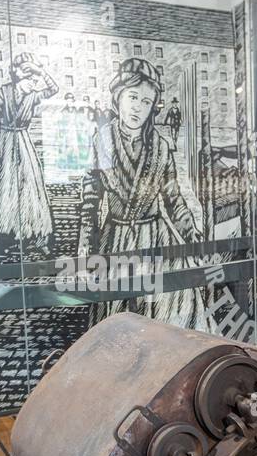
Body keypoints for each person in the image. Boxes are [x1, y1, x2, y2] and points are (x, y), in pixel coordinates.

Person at [78, 58, 209, 330]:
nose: (138, 107)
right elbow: (91, 197)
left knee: (168, 310)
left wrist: (192, 235)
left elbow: (174, 197)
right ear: (119, 98)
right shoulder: (102, 139)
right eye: (133, 97)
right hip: (117, 240)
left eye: (146, 102)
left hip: (156, 239)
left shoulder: (161, 146)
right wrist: (86, 244)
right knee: (117, 314)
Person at [0, 52, 59, 258]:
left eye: (35, 81)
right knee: (5, 190)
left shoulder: (33, 96)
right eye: (30, 80)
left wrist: (41, 72)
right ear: (19, 76)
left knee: (28, 188)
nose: (33, 84)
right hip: (5, 143)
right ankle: (5, 237)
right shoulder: (4, 91)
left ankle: (31, 236)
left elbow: (54, 89)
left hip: (23, 144)